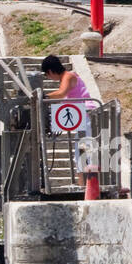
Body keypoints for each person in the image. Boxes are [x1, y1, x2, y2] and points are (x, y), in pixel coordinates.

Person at [42, 54, 94, 185]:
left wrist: (42, 96)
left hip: (86, 116)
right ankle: (84, 187)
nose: (49, 78)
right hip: (82, 117)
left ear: (51, 71)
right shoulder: (68, 77)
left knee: (83, 155)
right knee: (80, 155)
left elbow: (61, 94)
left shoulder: (68, 76)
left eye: (47, 75)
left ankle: (86, 188)